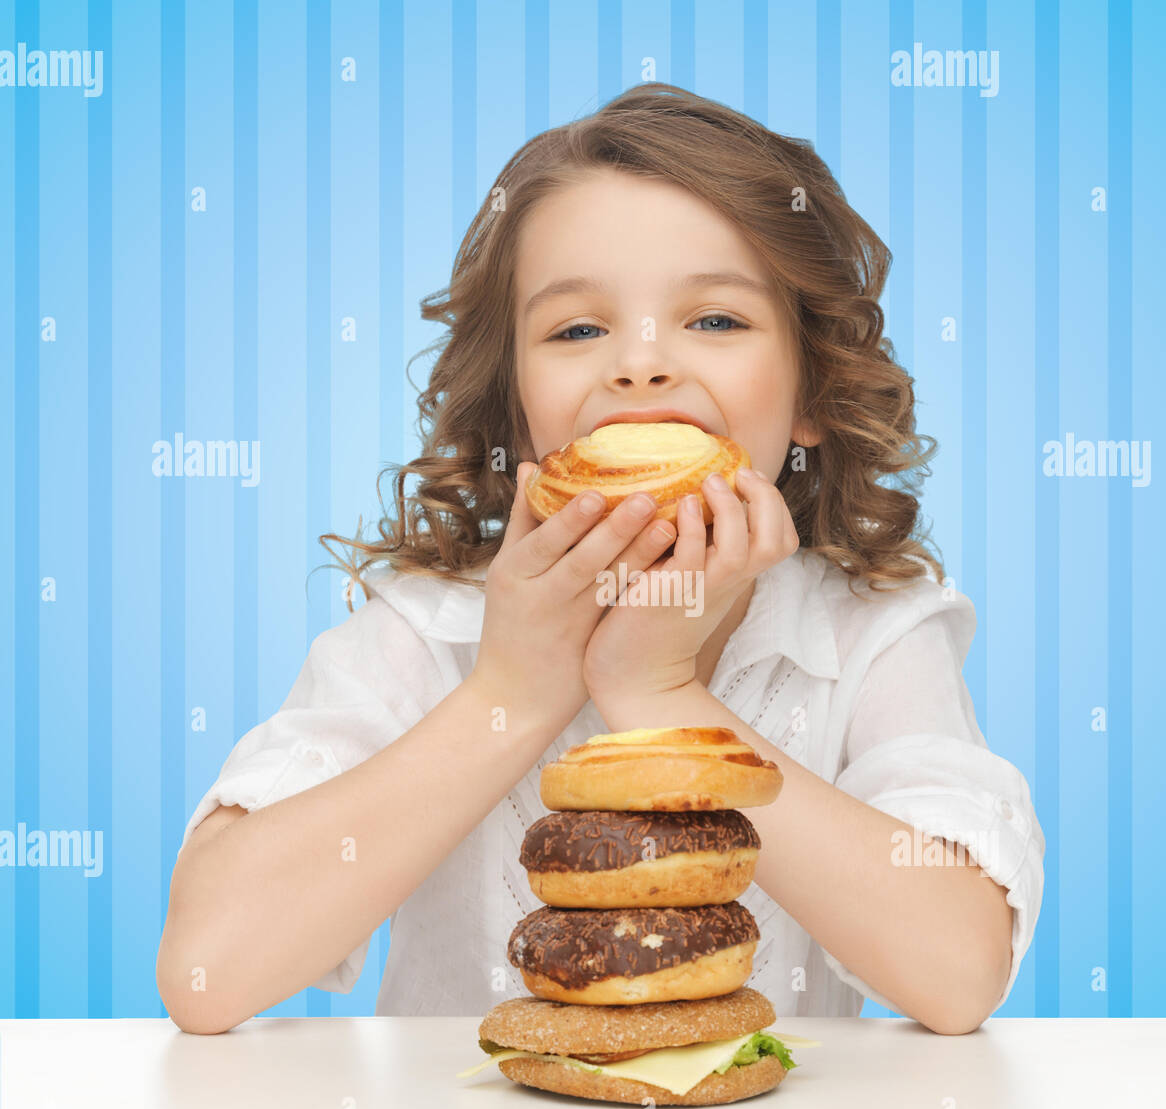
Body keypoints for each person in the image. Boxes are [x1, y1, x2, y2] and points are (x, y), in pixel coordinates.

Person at [157, 84, 1045, 1036]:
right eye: (578, 330)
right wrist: (512, 685)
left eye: (716, 320)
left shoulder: (872, 631)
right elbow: (206, 968)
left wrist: (664, 697)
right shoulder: (430, 629)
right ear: (515, 411)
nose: (641, 364)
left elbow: (959, 973)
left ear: (809, 400)